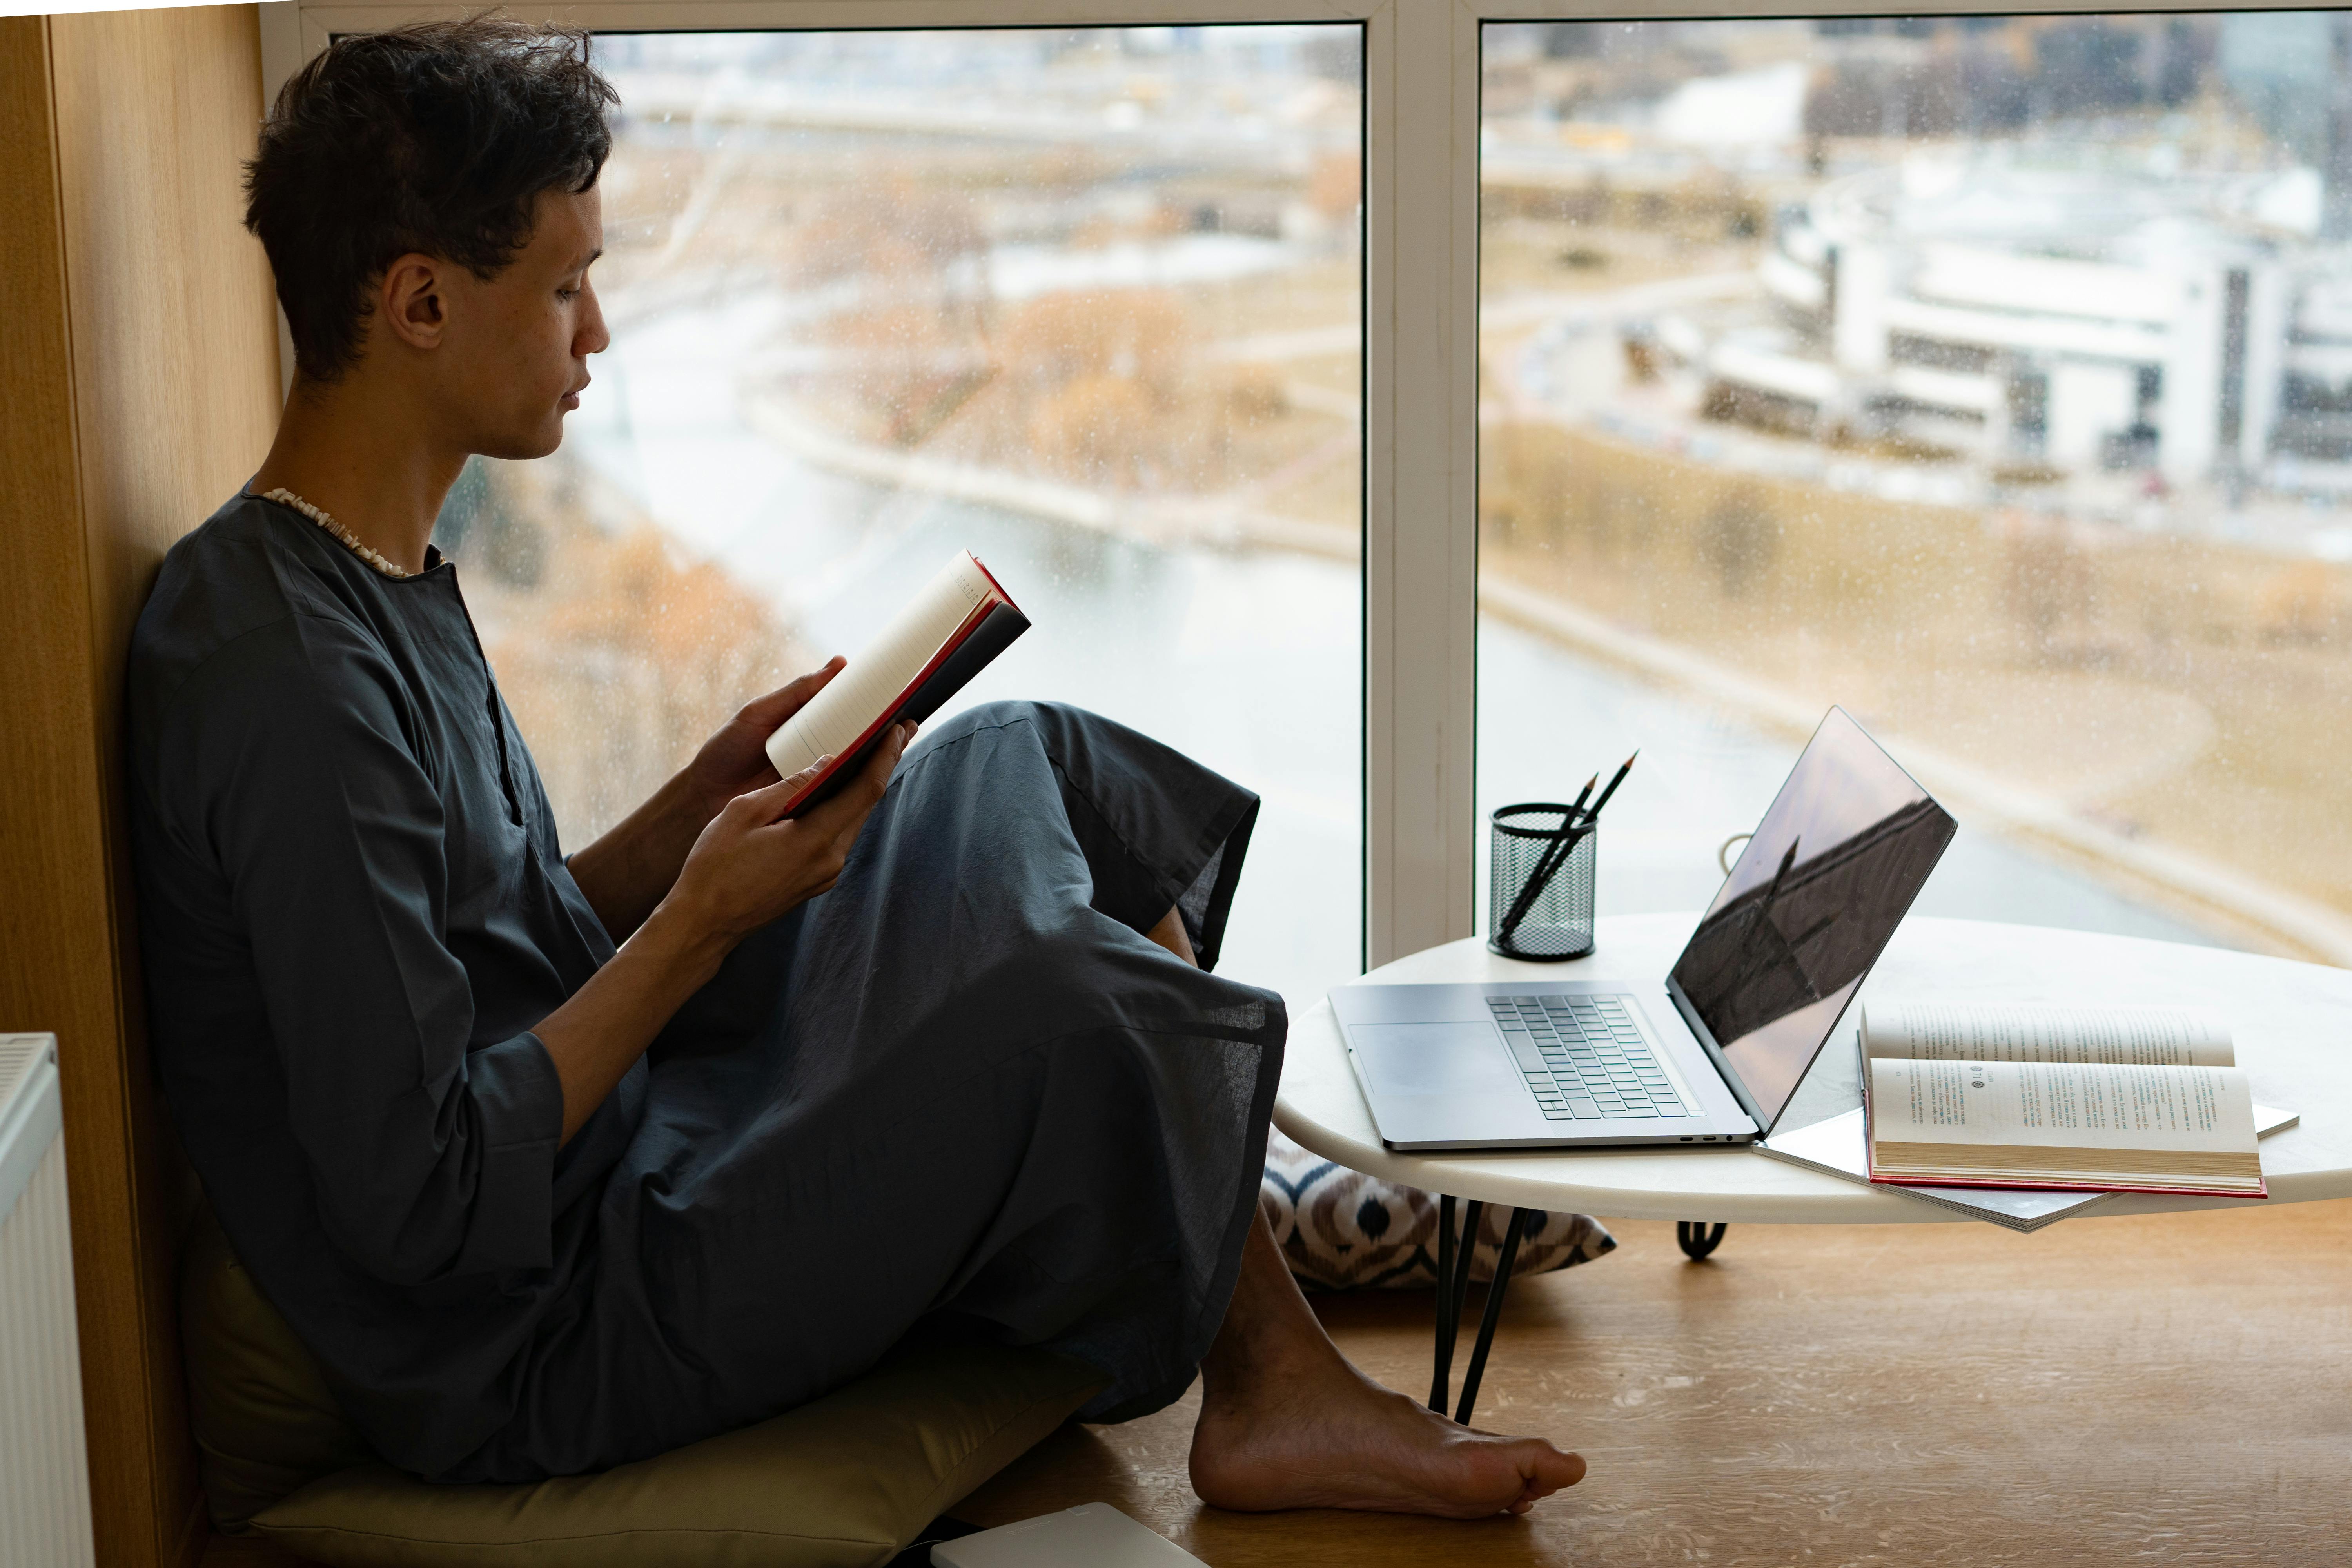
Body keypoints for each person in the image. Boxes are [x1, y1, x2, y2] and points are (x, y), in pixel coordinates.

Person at [125, 17, 1585, 1516]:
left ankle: (1272, 1372)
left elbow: (488, 948)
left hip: (623, 1151)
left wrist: (696, 810)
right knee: (1061, 1001)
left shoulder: (368, 578)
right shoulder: (286, 680)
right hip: (548, 1319)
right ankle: (1273, 1388)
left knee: (1034, 759)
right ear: (422, 302)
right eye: (564, 287)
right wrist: (698, 925)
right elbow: (421, 1193)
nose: (596, 333)